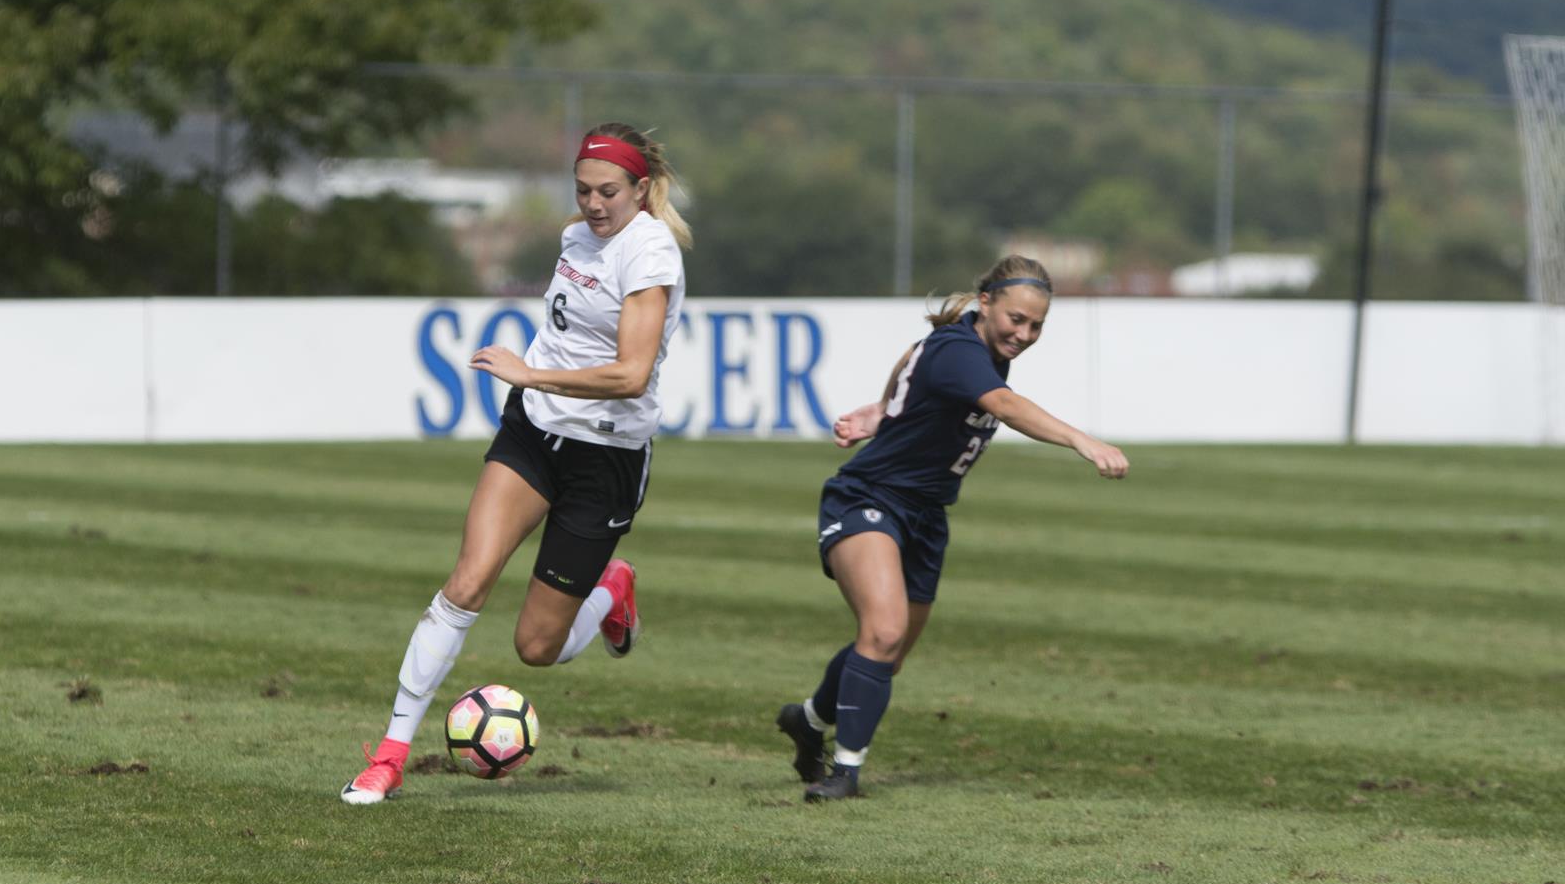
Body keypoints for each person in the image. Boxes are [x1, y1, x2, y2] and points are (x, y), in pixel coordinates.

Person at [342, 123, 692, 804]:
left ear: (641, 189)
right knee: (467, 582)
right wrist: (532, 388)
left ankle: (610, 590)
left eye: (609, 192)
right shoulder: (575, 237)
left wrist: (531, 374)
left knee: (537, 646)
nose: (593, 205)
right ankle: (388, 754)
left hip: (606, 460)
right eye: (583, 190)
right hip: (533, 434)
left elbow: (631, 374)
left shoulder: (650, 253)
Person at [777, 255, 1129, 802]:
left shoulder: (970, 344)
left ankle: (808, 719)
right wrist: (1084, 440)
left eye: (1036, 325)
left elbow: (915, 368)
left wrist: (883, 409)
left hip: (927, 514)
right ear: (985, 303)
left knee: (885, 648)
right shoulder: (959, 348)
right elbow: (1004, 407)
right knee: (885, 629)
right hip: (869, 498)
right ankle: (845, 772)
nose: (1024, 333)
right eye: (1016, 319)